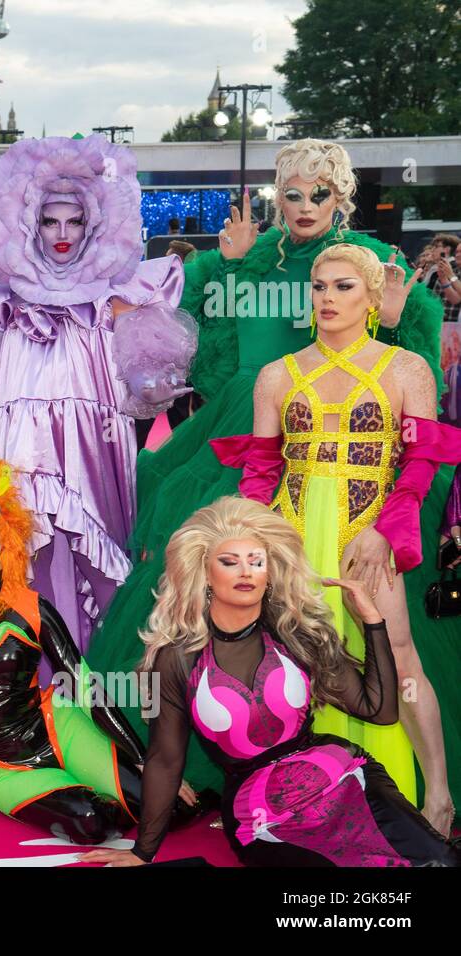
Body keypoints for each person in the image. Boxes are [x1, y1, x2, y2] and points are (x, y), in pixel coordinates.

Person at [84, 140, 450, 813]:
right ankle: (257, 771)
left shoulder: (377, 266)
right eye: (292, 193)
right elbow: (211, 367)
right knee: (256, 617)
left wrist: (404, 323)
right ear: (274, 198)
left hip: (362, 468)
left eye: (320, 193)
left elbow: (414, 393)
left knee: (386, 641)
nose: (306, 206)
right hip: (270, 441)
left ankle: (429, 795)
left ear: (342, 199)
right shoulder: (248, 266)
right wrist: (217, 274)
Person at [0, 135, 192, 654]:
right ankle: (33, 673)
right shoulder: (7, 295)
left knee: (102, 554)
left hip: (94, 440)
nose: (63, 233)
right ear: (31, 224)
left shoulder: (115, 293)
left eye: (74, 221)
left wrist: (152, 386)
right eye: (51, 221)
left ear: (94, 224)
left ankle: (99, 672)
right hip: (23, 438)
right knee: (25, 549)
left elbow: (134, 367)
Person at [212, 242, 460, 832]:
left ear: (373, 296)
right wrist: (253, 545)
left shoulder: (408, 370)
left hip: (368, 533)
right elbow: (262, 471)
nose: (327, 297)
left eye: (344, 286)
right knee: (296, 664)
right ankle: (307, 796)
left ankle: (439, 797)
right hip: (294, 539)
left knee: (398, 658)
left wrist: (384, 532)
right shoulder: (278, 375)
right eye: (320, 286)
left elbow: (421, 465)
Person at [80, 498, 459, 867]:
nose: (245, 571)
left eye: (256, 561)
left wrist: (374, 622)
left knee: (439, 861)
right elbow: (165, 759)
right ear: (205, 573)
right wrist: (142, 852)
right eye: (230, 562)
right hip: (262, 817)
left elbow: (379, 710)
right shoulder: (178, 659)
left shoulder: (295, 634)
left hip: (347, 781)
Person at [0, 432, 192, 843]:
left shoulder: (31, 606)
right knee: (90, 824)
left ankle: (96, 785)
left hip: (57, 728)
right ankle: (82, 795)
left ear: (1, 548)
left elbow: (85, 689)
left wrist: (141, 761)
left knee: (166, 807)